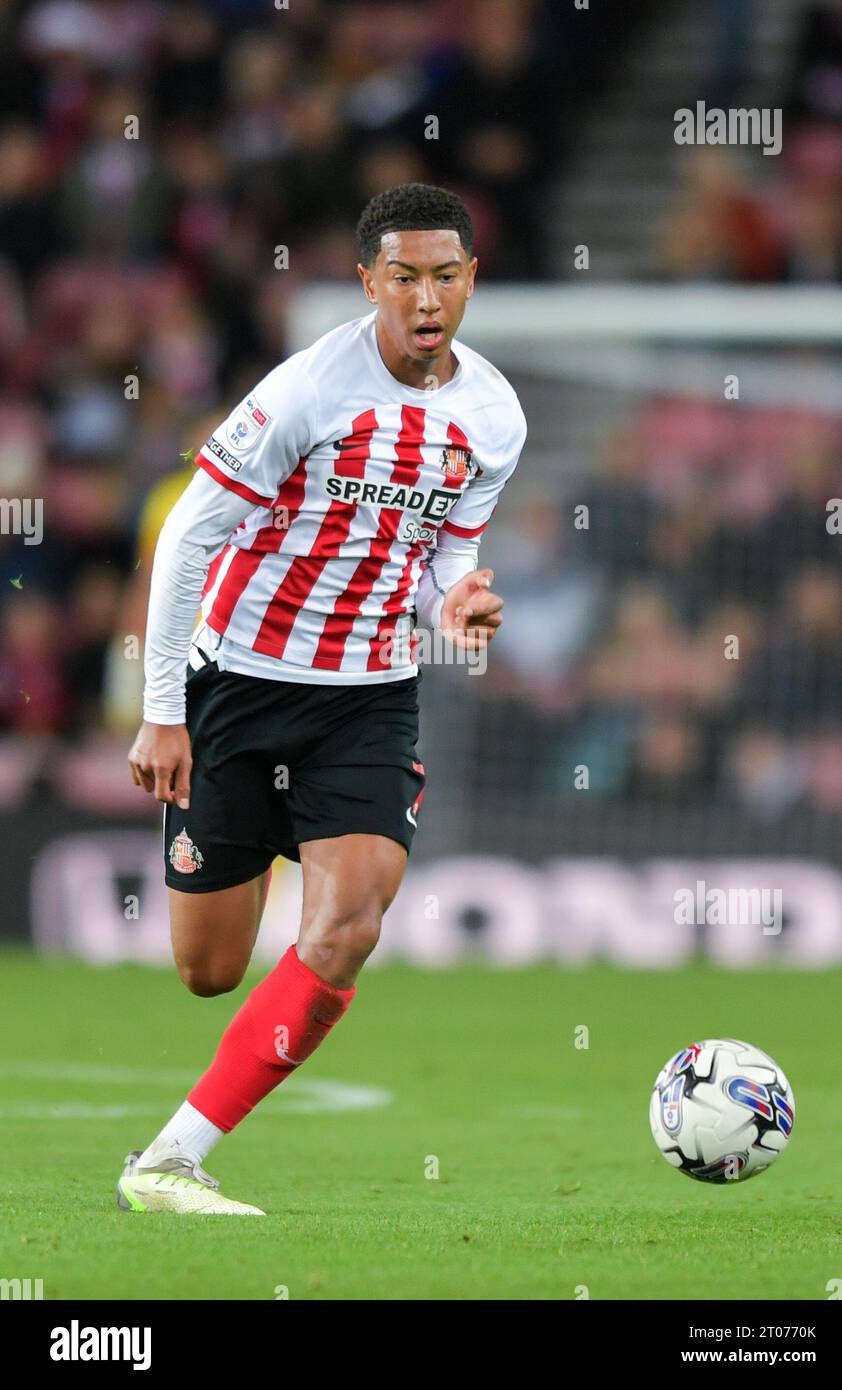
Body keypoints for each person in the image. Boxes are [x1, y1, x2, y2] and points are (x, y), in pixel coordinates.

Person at [119, 182, 527, 1213]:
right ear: (367, 282)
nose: (425, 298)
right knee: (208, 968)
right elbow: (188, 536)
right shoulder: (305, 390)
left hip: (365, 698)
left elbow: (441, 557)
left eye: (444, 276)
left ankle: (169, 1159)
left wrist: (456, 605)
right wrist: (163, 708)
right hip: (238, 687)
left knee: (346, 925)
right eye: (403, 277)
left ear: (470, 281)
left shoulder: (491, 416)